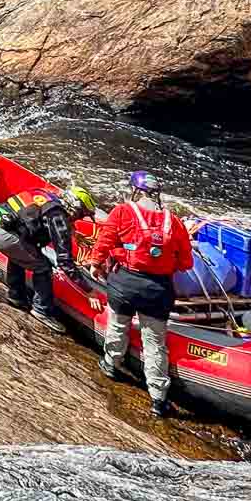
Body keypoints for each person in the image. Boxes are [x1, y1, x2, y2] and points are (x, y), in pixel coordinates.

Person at [87, 170, 193, 417]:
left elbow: (105, 240)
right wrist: (164, 266)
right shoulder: (173, 222)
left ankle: (111, 364)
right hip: (158, 290)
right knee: (155, 343)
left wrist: (95, 263)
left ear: (135, 191)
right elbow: (186, 263)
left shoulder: (123, 211)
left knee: (118, 324)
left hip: (125, 283)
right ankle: (158, 399)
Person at [0, 184, 97, 332]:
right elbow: (64, 260)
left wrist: (70, 228)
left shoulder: (43, 195)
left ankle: (17, 295)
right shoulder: (57, 215)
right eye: (81, 214)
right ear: (75, 208)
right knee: (43, 266)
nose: (79, 218)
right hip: (5, 235)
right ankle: (42, 310)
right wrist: (88, 290)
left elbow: (30, 217)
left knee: (23, 254)